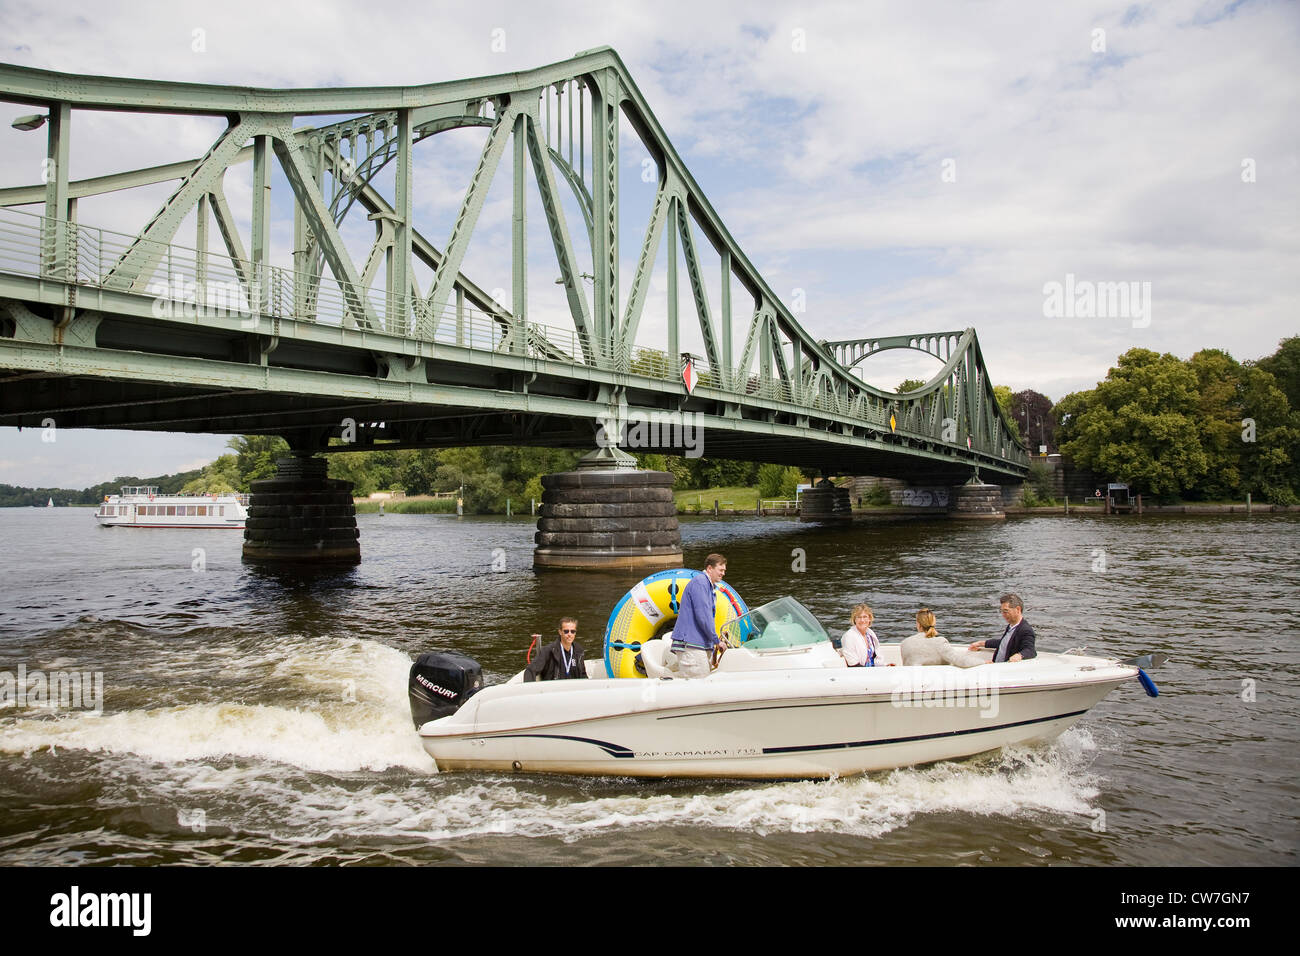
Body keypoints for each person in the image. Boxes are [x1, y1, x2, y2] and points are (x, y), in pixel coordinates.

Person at [670, 553, 727, 679]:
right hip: (690, 644)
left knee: (702, 681)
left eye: (724, 570)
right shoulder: (700, 582)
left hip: (698, 644)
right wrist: (716, 640)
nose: (723, 573)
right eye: (720, 570)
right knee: (699, 683)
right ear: (709, 569)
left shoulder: (708, 586)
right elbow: (703, 616)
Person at [900, 608, 984, 667]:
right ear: (934, 623)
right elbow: (961, 661)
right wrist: (983, 662)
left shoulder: (905, 643)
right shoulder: (939, 643)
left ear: (918, 624)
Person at [967, 593, 1037, 662]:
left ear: (1018, 609)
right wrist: (981, 643)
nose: (1003, 615)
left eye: (1006, 611)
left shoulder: (1026, 630)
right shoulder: (1011, 626)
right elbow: (1005, 642)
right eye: (1002, 611)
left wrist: (1019, 656)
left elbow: (1030, 650)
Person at [524, 617, 587, 681]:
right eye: (566, 631)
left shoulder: (579, 651)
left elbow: (583, 675)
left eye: (572, 631)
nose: (569, 634)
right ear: (560, 632)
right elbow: (530, 670)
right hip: (554, 689)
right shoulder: (548, 651)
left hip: (573, 689)